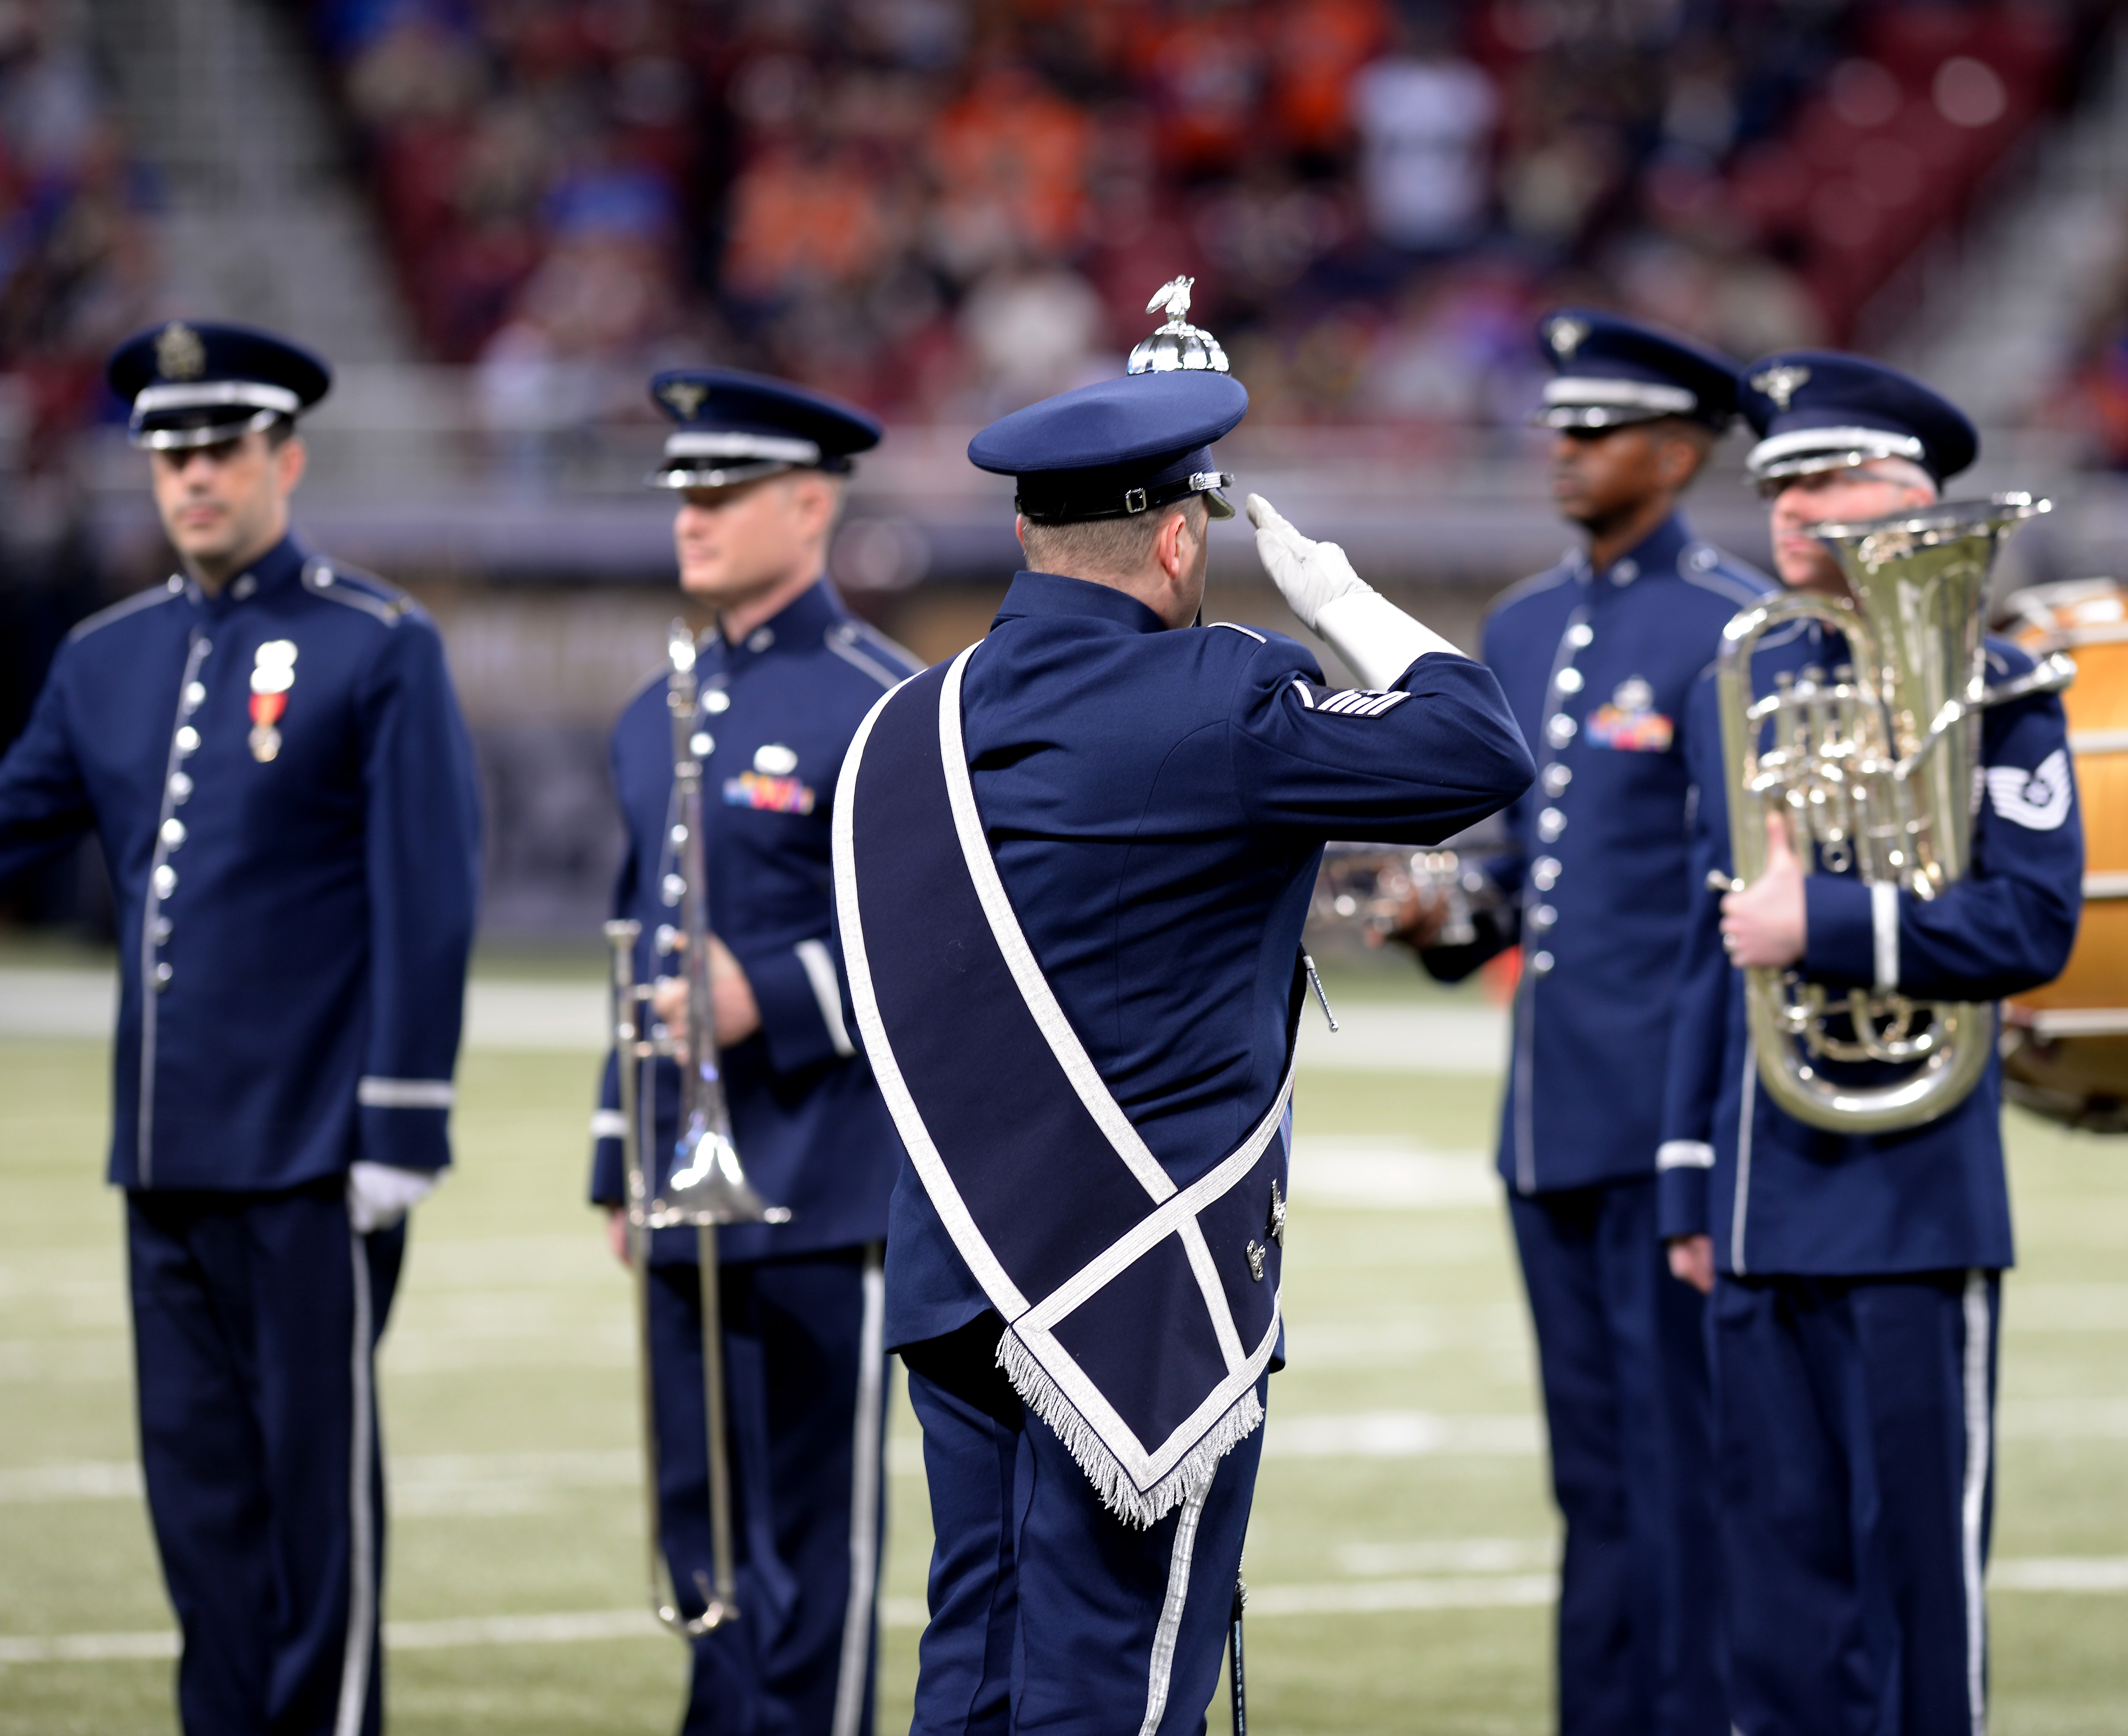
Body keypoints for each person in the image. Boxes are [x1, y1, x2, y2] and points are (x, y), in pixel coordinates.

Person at [830, 285, 1532, 1735]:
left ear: (1026, 529)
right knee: (1122, 1687)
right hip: (1142, 1290)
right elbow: (1477, 742)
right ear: (1175, 539)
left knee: (975, 1668)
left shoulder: (903, 727)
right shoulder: (1222, 690)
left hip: (960, 1274)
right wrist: (1338, 602)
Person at [0, 320, 480, 1736]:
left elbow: (431, 891)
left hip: (314, 1159)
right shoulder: (104, 659)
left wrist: (402, 1123)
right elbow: (4, 830)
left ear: (285, 459)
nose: (194, 478)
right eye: (171, 455)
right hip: (162, 1154)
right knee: (197, 1511)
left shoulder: (377, 643)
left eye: (221, 450)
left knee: (314, 1512)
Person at [1659, 352, 2083, 1736]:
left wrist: (1828, 925)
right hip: (1756, 1195)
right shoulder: (1742, 676)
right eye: (1777, 483)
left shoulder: (2005, 686)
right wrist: (1686, 1177)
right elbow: (1712, 942)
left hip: (1913, 1197)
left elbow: (2032, 925)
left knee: (1915, 1594)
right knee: (1777, 1603)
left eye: (1829, 478)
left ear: (1912, 494)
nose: (1793, 508)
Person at [1390, 307, 1768, 1736]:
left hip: (1663, 1125)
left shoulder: (1730, 626)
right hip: (1547, 1123)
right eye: (1560, 424)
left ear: (1677, 454)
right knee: (1591, 1482)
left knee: (1683, 1478)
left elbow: (1727, 898)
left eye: (1599, 430)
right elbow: (1525, 875)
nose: (1564, 446)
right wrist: (1446, 915)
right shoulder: (1523, 623)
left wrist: (1697, 1138)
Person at [589, 369, 920, 1736]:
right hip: (683, 1178)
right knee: (700, 1536)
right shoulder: (651, 710)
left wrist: (771, 996)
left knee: (811, 1540)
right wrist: (618, 1158)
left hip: (825, 1178)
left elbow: (939, 940)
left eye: (726, 491)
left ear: (812, 503)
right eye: (686, 491)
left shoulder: (886, 703)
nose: (696, 515)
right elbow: (637, 935)